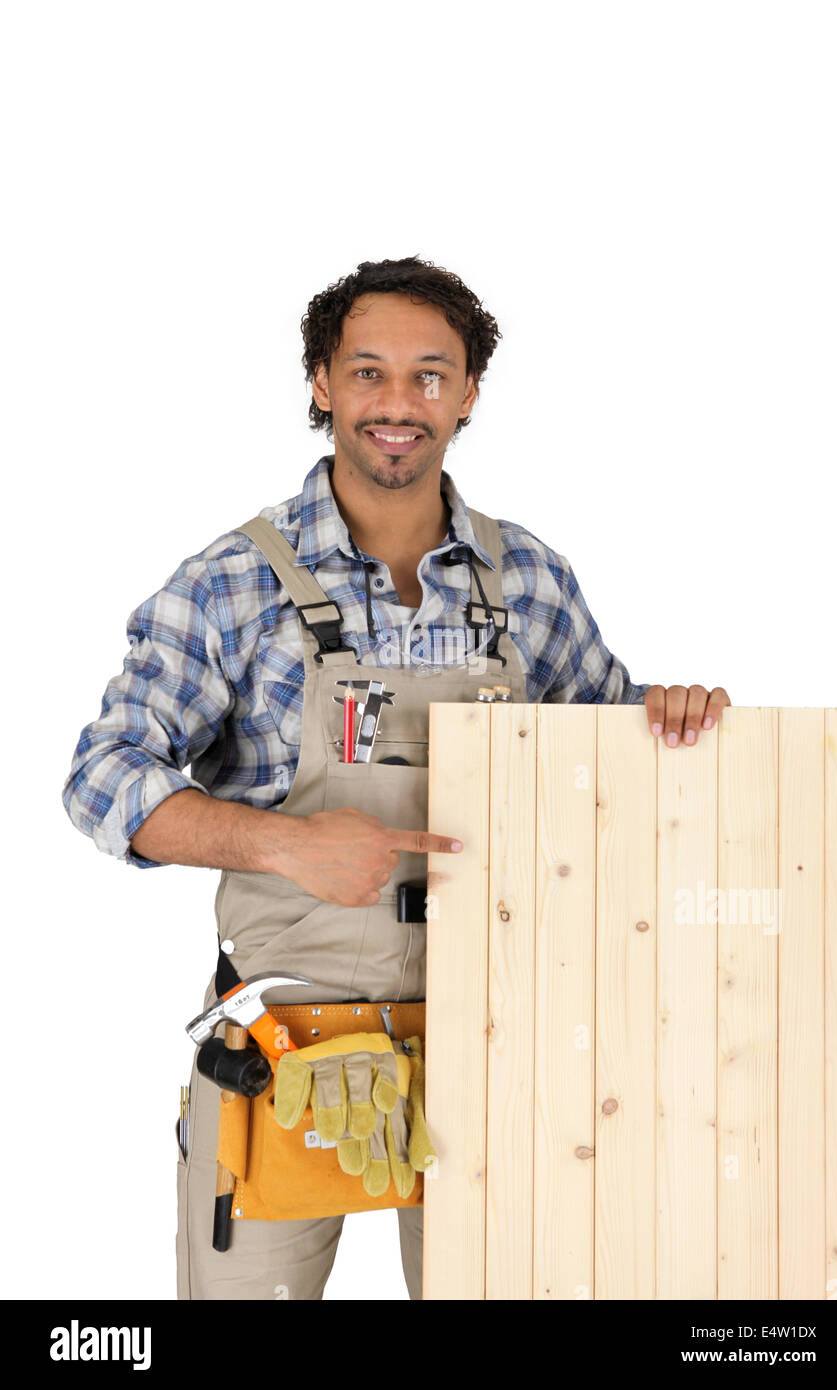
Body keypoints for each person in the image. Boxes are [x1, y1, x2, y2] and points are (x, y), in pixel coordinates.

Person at [62, 254, 731, 1300]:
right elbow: (102, 779)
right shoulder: (235, 583)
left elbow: (608, 773)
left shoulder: (529, 582)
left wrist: (669, 723)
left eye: (430, 375)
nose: (397, 403)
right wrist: (285, 843)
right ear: (320, 382)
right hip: (285, 1050)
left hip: (497, 1039)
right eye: (367, 371)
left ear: (466, 396)